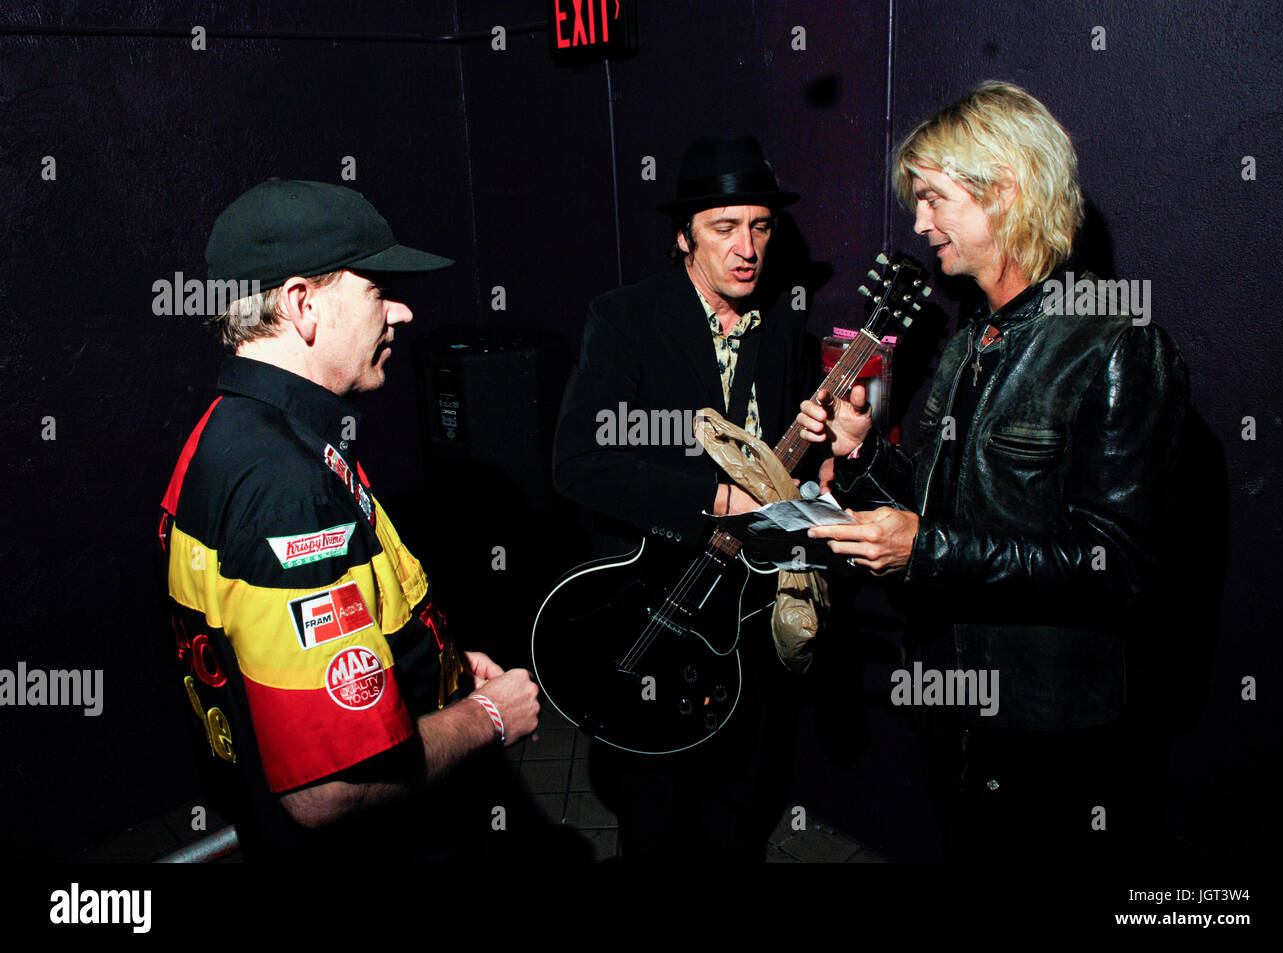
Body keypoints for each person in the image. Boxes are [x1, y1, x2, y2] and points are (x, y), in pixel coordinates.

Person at [800, 82, 1189, 860]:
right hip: (953, 705)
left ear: (1005, 190)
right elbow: (939, 507)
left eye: (935, 199)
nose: (920, 223)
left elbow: (1117, 570)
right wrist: (862, 450)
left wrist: (927, 549)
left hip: (1048, 731)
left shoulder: (1115, 344)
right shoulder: (969, 337)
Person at [158, 178, 541, 861]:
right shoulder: (282, 483)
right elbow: (329, 786)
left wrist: (443, 675)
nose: (400, 312)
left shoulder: (236, 433)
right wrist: (486, 717)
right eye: (376, 289)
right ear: (301, 304)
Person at [552, 135, 817, 861]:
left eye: (760, 226)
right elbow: (577, 464)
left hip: (753, 614)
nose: (748, 247)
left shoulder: (785, 321)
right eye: (724, 228)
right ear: (683, 237)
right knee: (659, 819)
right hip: (658, 602)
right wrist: (713, 501)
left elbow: (786, 463)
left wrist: (840, 442)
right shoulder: (626, 318)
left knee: (746, 807)